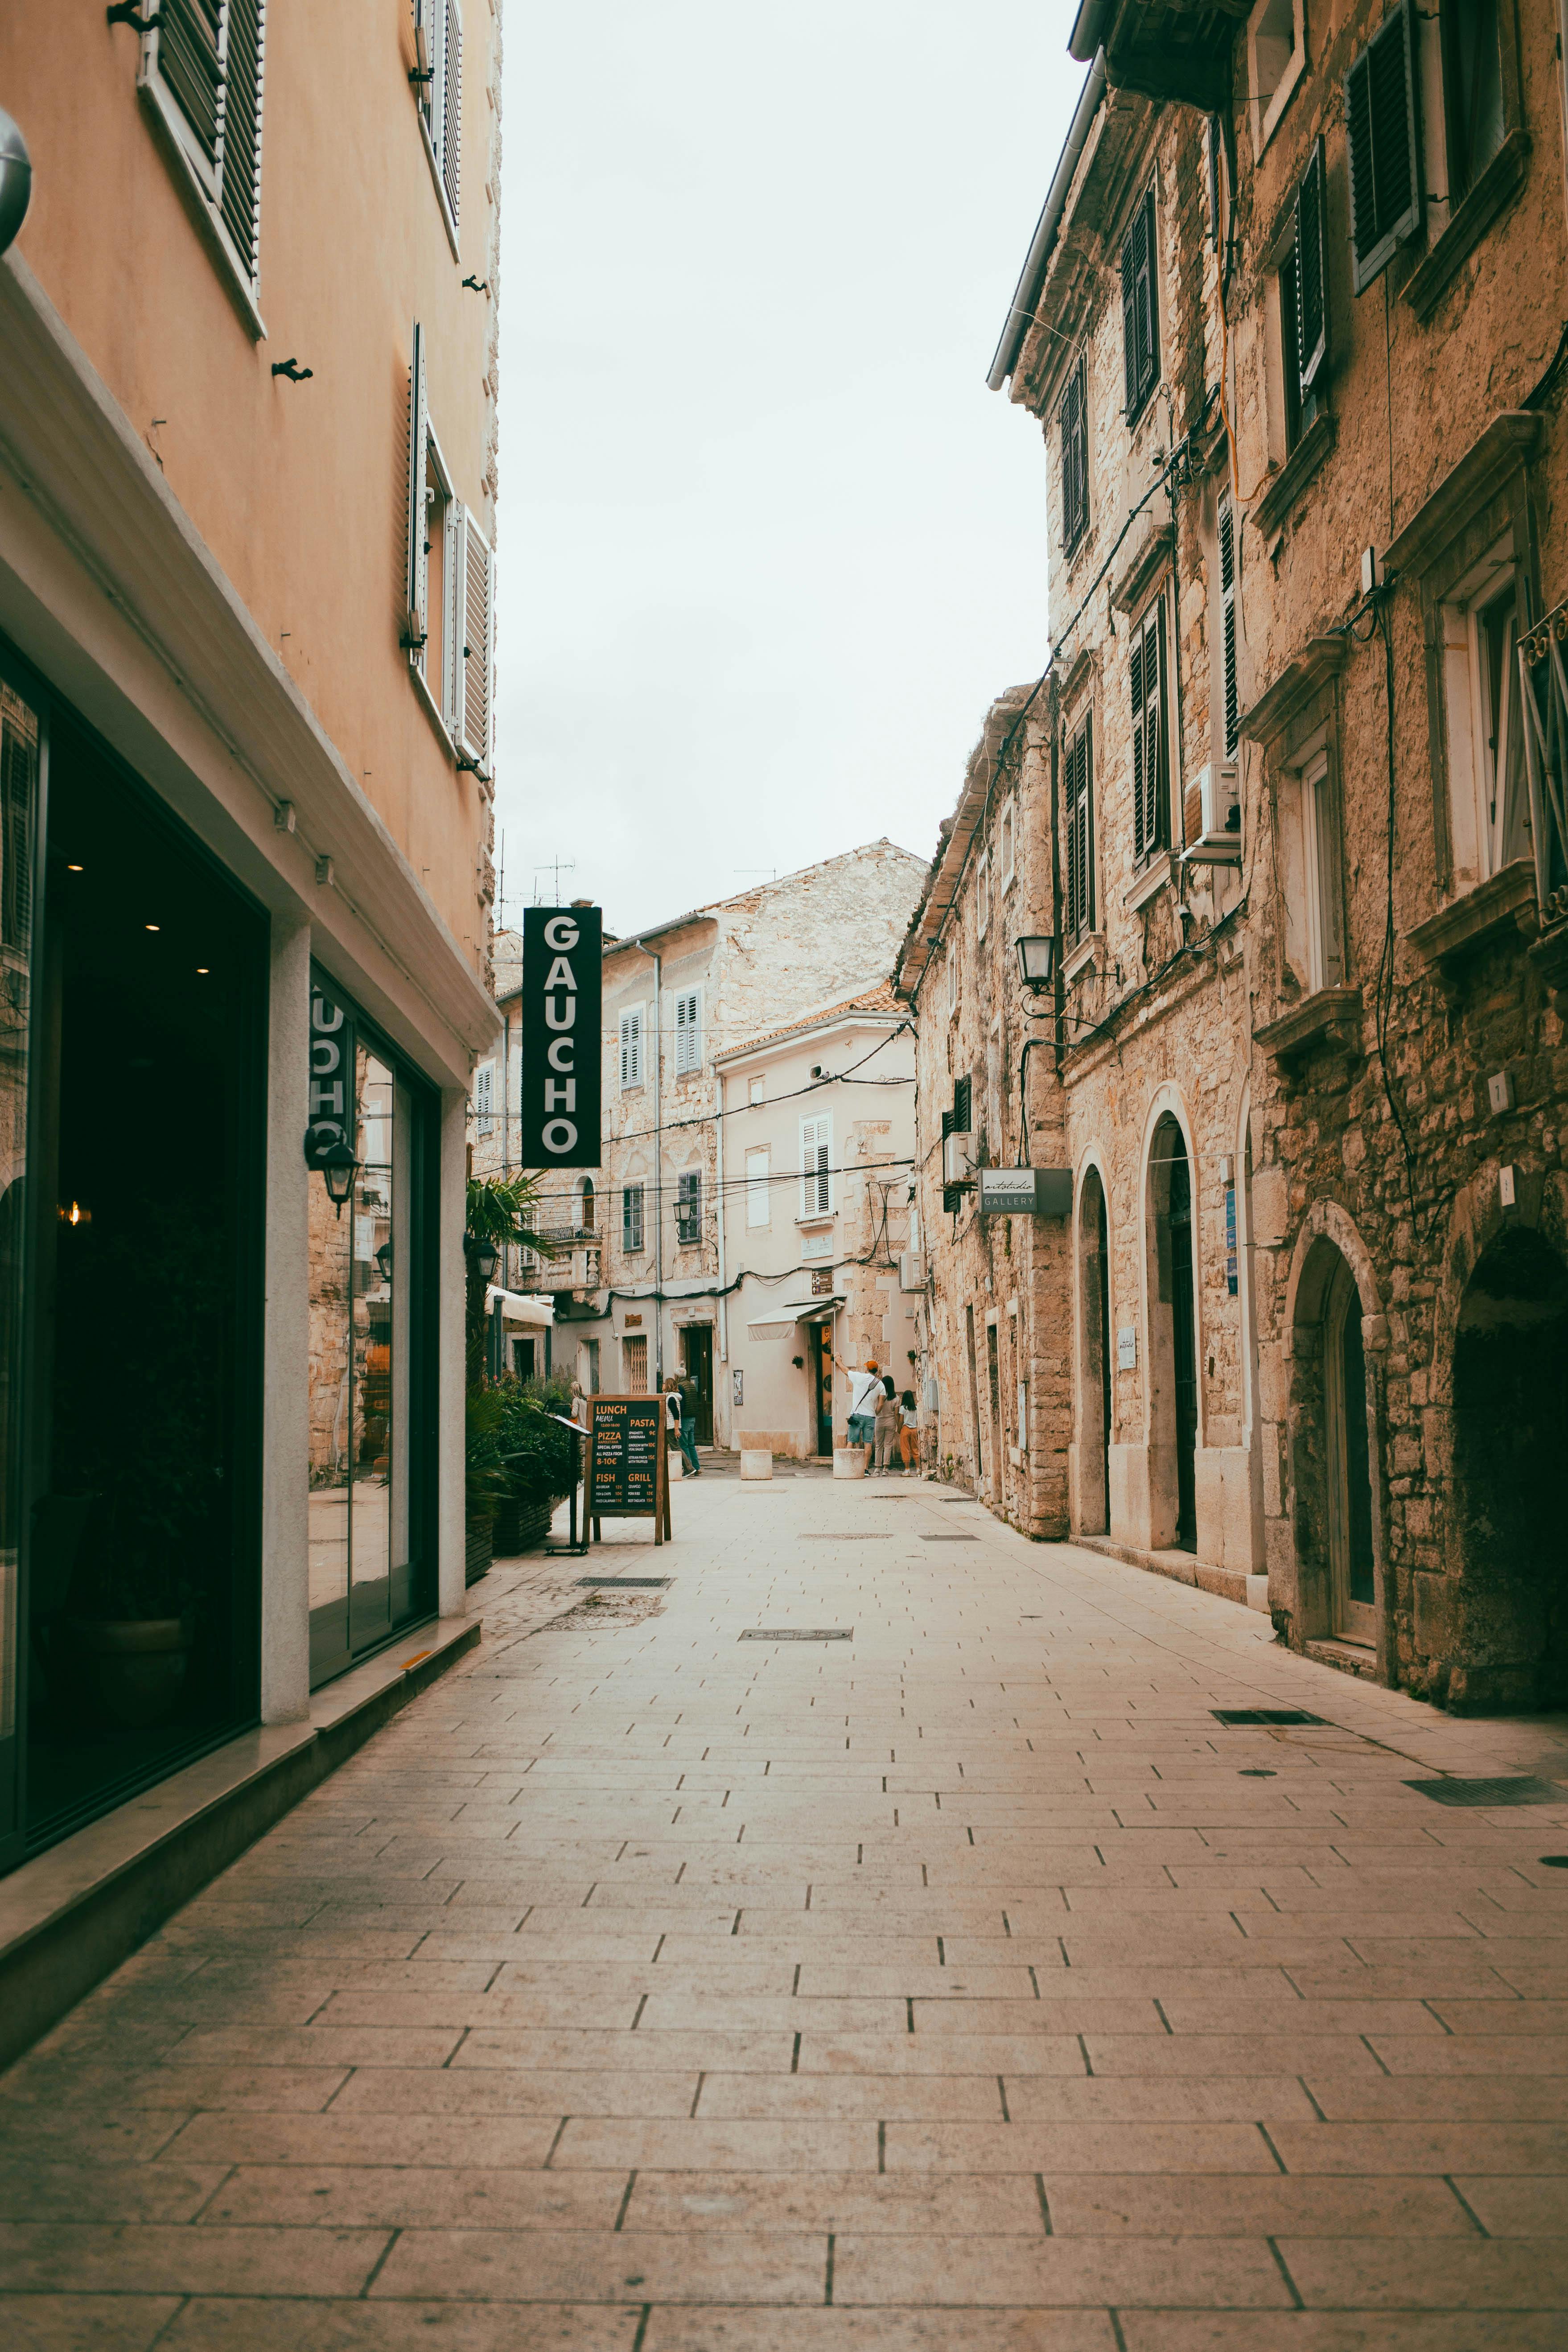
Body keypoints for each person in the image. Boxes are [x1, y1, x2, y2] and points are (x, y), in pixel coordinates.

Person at [837, 1355, 882, 1450]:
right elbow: (881, 1404)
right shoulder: (880, 1384)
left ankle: (850, 1465)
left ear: (867, 1369)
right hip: (870, 1417)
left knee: (851, 1441)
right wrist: (875, 1413)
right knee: (868, 1443)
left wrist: (839, 1362)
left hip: (857, 1415)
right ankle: (866, 1466)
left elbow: (845, 1371)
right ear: (877, 1371)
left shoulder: (859, 1377)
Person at [872, 1376, 901, 1475]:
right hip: (891, 1422)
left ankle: (877, 1468)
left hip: (879, 1422)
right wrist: (899, 1426)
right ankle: (886, 1469)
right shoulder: (896, 1398)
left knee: (878, 1446)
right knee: (888, 1445)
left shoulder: (878, 1397)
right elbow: (897, 1414)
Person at [898, 1388, 920, 1472]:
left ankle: (907, 1469)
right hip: (914, 1429)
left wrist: (899, 1430)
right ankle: (918, 1468)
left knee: (905, 1449)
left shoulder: (903, 1408)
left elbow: (901, 1421)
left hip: (906, 1429)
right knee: (915, 1449)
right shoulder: (916, 1408)